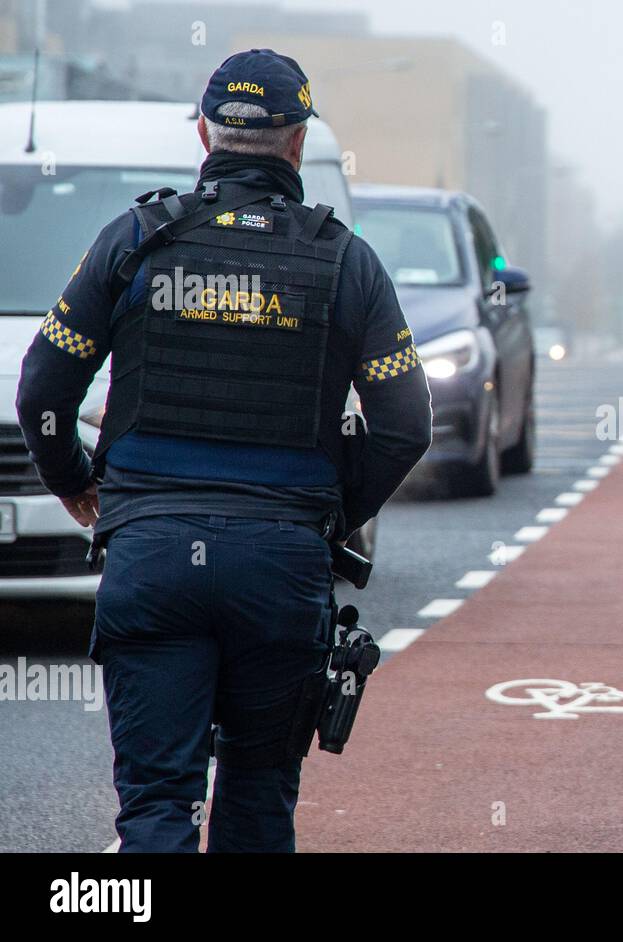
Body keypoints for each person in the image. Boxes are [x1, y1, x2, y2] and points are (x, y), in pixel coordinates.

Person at [15, 49, 433, 852]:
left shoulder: (134, 240)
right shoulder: (347, 263)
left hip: (153, 556)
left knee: (157, 806)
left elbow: (40, 391)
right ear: (300, 142)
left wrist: (72, 481)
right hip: (281, 571)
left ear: (204, 131)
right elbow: (406, 423)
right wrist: (332, 513)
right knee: (257, 798)